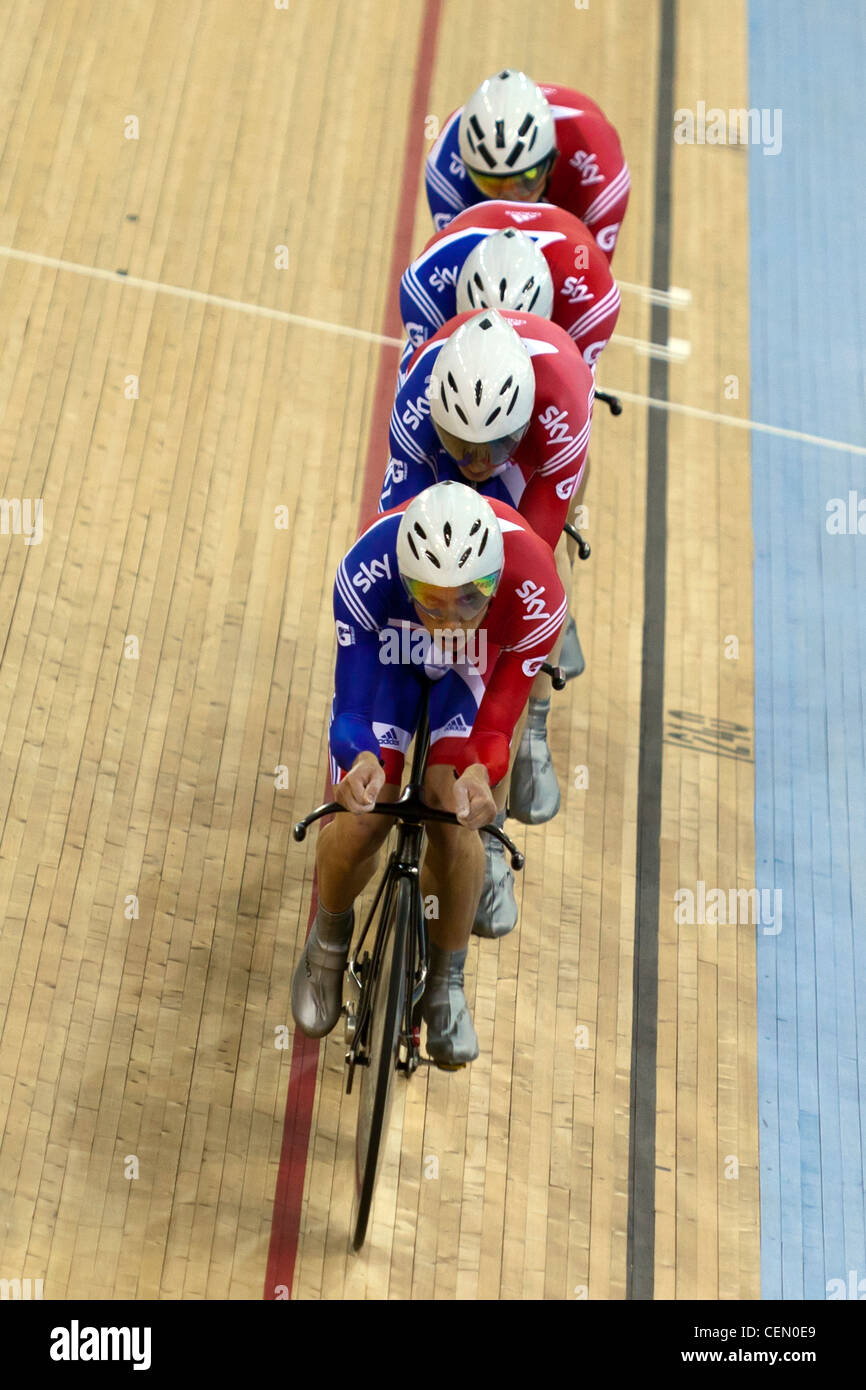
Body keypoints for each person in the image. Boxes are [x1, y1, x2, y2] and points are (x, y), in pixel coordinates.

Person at [291, 482, 566, 1065]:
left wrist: (479, 778)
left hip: (475, 670)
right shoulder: (367, 570)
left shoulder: (535, 585)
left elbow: (493, 733)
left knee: (452, 813)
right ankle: (328, 943)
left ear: (494, 581)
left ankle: (445, 983)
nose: (448, 620)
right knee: (367, 817)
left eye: (468, 600)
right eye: (432, 602)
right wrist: (361, 759)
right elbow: (354, 710)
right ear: (405, 581)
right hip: (389, 659)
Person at [378, 309, 592, 931]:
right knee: (428, 575)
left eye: (494, 446)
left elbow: (533, 557)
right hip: (439, 469)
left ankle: (489, 834)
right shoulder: (420, 394)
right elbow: (393, 534)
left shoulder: (561, 403)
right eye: (464, 446)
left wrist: (490, 640)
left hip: (532, 474)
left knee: (511, 622)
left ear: (519, 425)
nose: (478, 461)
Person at [398, 204, 621, 384]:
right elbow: (422, 374)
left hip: (573, 247)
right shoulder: (425, 279)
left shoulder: (591, 297)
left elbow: (575, 384)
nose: (510, 190)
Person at [426, 69, 629, 261]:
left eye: (526, 179)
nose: (508, 196)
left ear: (550, 161)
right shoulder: (443, 169)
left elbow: (586, 269)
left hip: (571, 194)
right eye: (490, 183)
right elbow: (456, 260)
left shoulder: (602, 180)